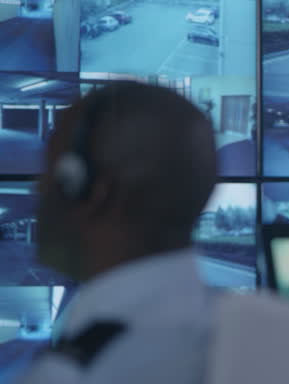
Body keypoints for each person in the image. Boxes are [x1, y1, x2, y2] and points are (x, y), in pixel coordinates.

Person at [17, 81, 219, 383]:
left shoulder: (76, 373)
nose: (40, 187)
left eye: (51, 171)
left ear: (91, 191)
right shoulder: (252, 334)